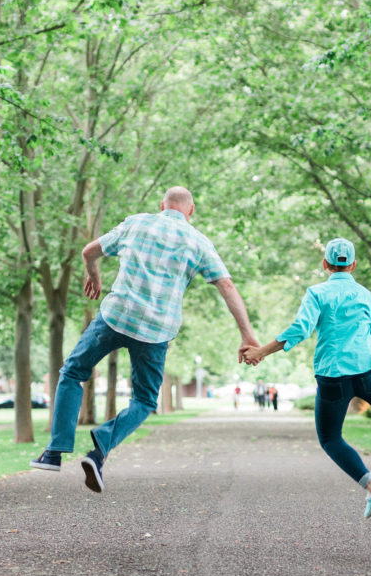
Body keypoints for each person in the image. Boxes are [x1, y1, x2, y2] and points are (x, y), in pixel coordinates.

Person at [32, 186, 259, 491]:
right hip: (156, 331)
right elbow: (227, 287)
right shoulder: (199, 242)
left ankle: (54, 452)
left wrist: (94, 275)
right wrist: (247, 335)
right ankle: (100, 449)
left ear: (162, 205)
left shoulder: (136, 222)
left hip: (116, 316)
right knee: (143, 400)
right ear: (190, 211)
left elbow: (88, 252)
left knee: (73, 372)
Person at [242, 238, 371, 517]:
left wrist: (261, 352)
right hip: (370, 372)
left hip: (332, 376)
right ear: (354, 265)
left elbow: (300, 329)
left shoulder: (316, 293)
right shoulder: (367, 296)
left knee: (329, 438)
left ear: (325, 264)